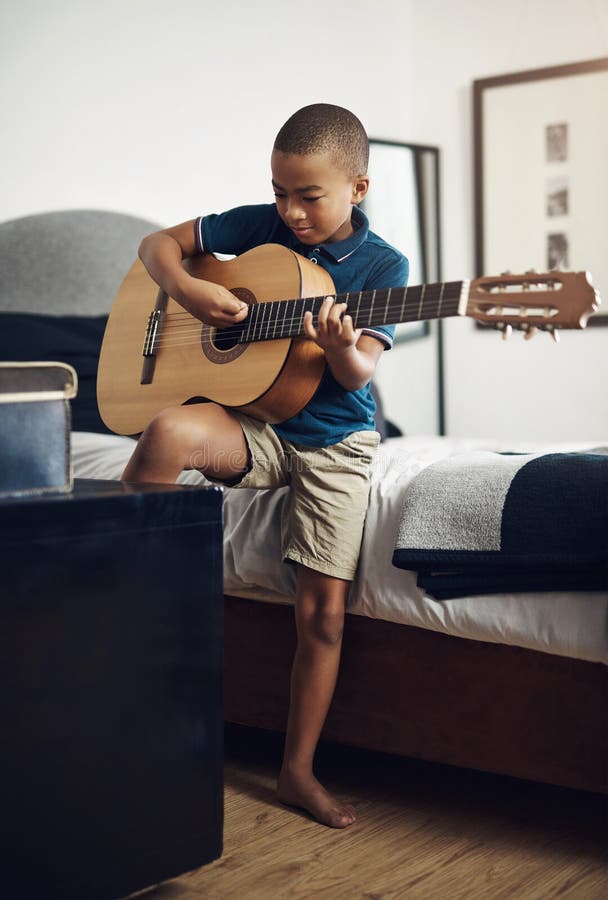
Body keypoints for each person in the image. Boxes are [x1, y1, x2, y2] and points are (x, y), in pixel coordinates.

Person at [122, 103, 409, 828]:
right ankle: (119, 595)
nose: (292, 210)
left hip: (333, 443)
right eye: (281, 191)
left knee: (323, 617)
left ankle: (296, 771)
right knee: (164, 431)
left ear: (358, 188)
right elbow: (157, 245)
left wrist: (340, 343)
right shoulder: (260, 227)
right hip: (257, 423)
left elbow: (357, 375)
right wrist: (190, 289)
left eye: (308, 196)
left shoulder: (385, 268)